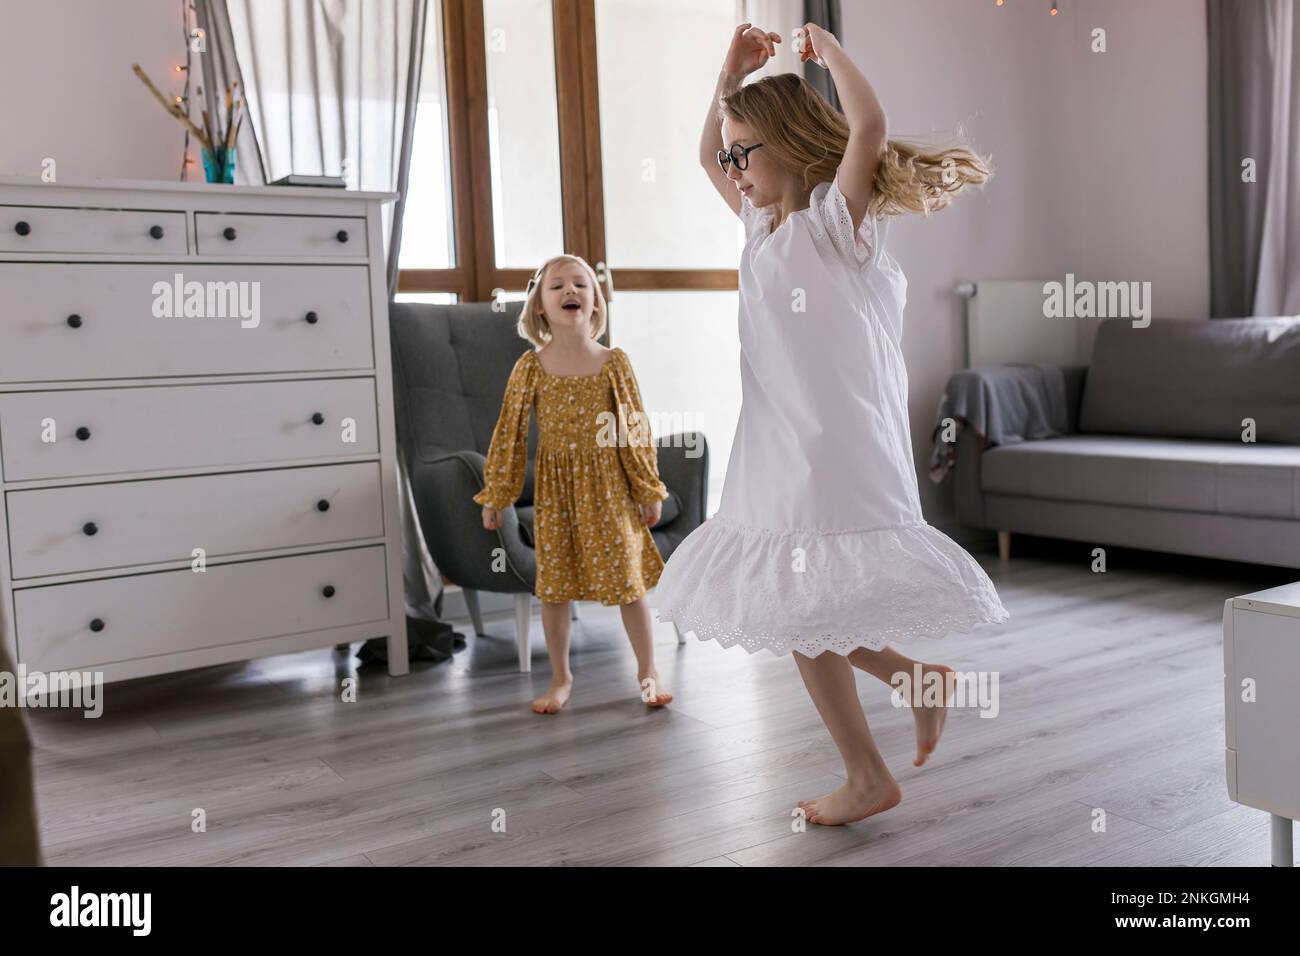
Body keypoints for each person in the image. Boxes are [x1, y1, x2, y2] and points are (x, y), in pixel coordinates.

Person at [649, 23, 1009, 825]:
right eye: (732, 156)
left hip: (836, 448)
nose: (733, 168)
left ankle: (873, 761)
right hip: (777, 450)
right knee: (798, 611)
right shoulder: (760, 231)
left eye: (746, 153)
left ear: (789, 144)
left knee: (803, 609)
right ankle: (897, 717)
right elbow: (705, 156)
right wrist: (728, 79)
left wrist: (827, 51)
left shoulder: (834, 224)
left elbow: (869, 126)